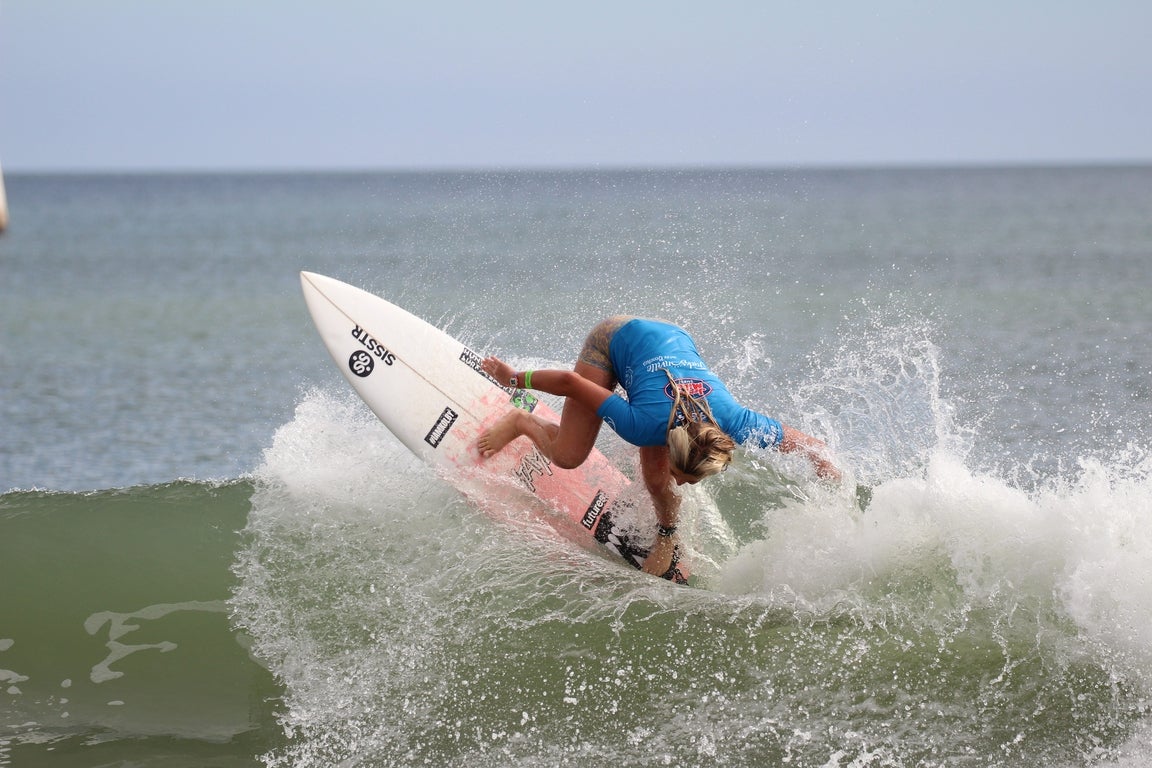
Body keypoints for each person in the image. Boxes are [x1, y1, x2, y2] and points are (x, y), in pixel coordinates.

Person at [478, 316, 842, 578]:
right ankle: (521, 422)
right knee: (569, 456)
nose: (683, 483)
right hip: (613, 339)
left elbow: (813, 446)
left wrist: (829, 471)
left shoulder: (734, 420)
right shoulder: (642, 425)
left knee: (657, 477)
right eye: (685, 477)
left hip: (671, 339)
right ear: (674, 445)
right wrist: (512, 378)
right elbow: (570, 383)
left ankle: (666, 536)